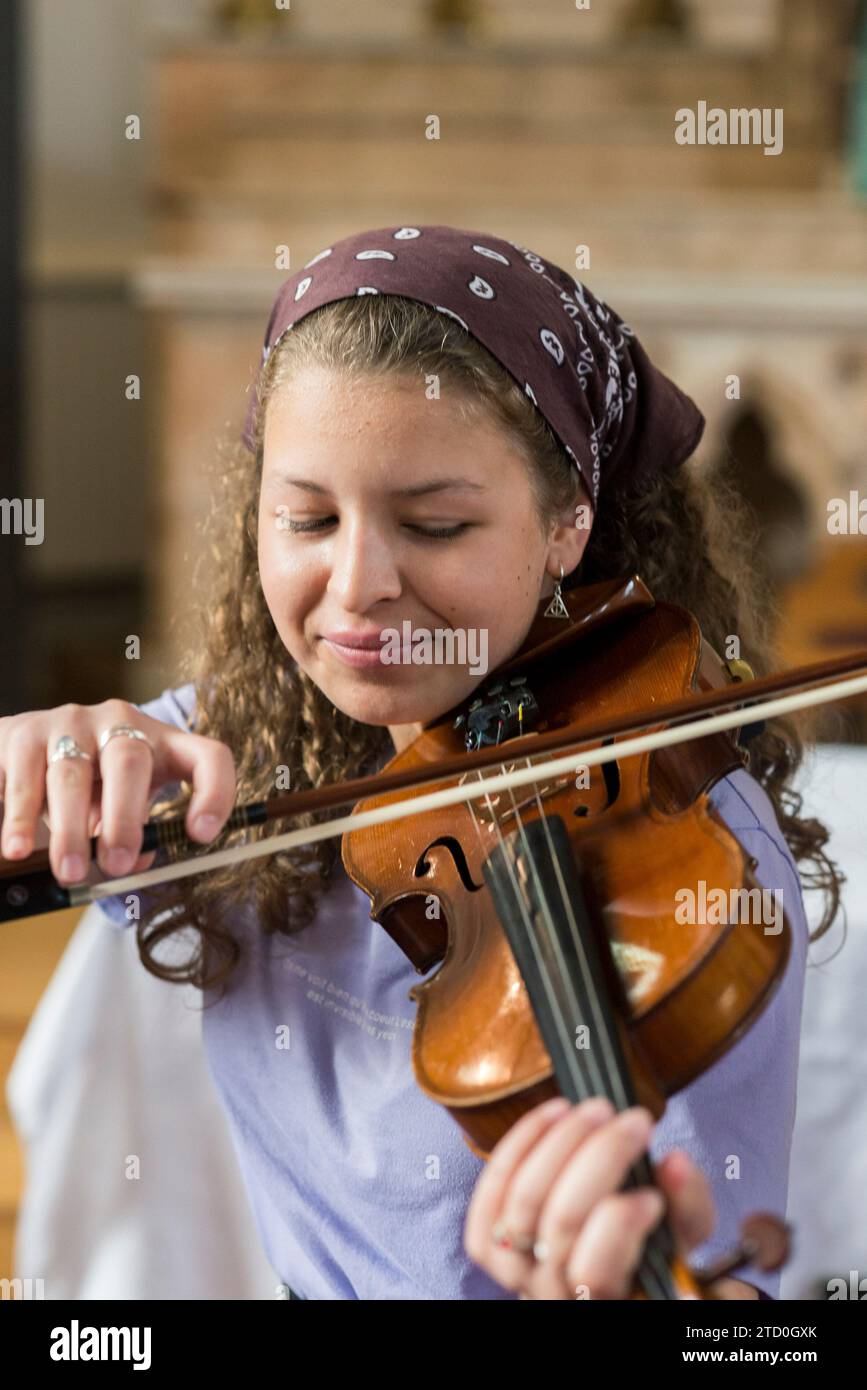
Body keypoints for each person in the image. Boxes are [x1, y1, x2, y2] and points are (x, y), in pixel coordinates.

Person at [0, 225, 844, 1301]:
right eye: (306, 517)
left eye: (436, 525)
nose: (357, 588)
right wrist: (31, 761)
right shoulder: (250, 738)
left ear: (565, 528)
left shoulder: (692, 857)